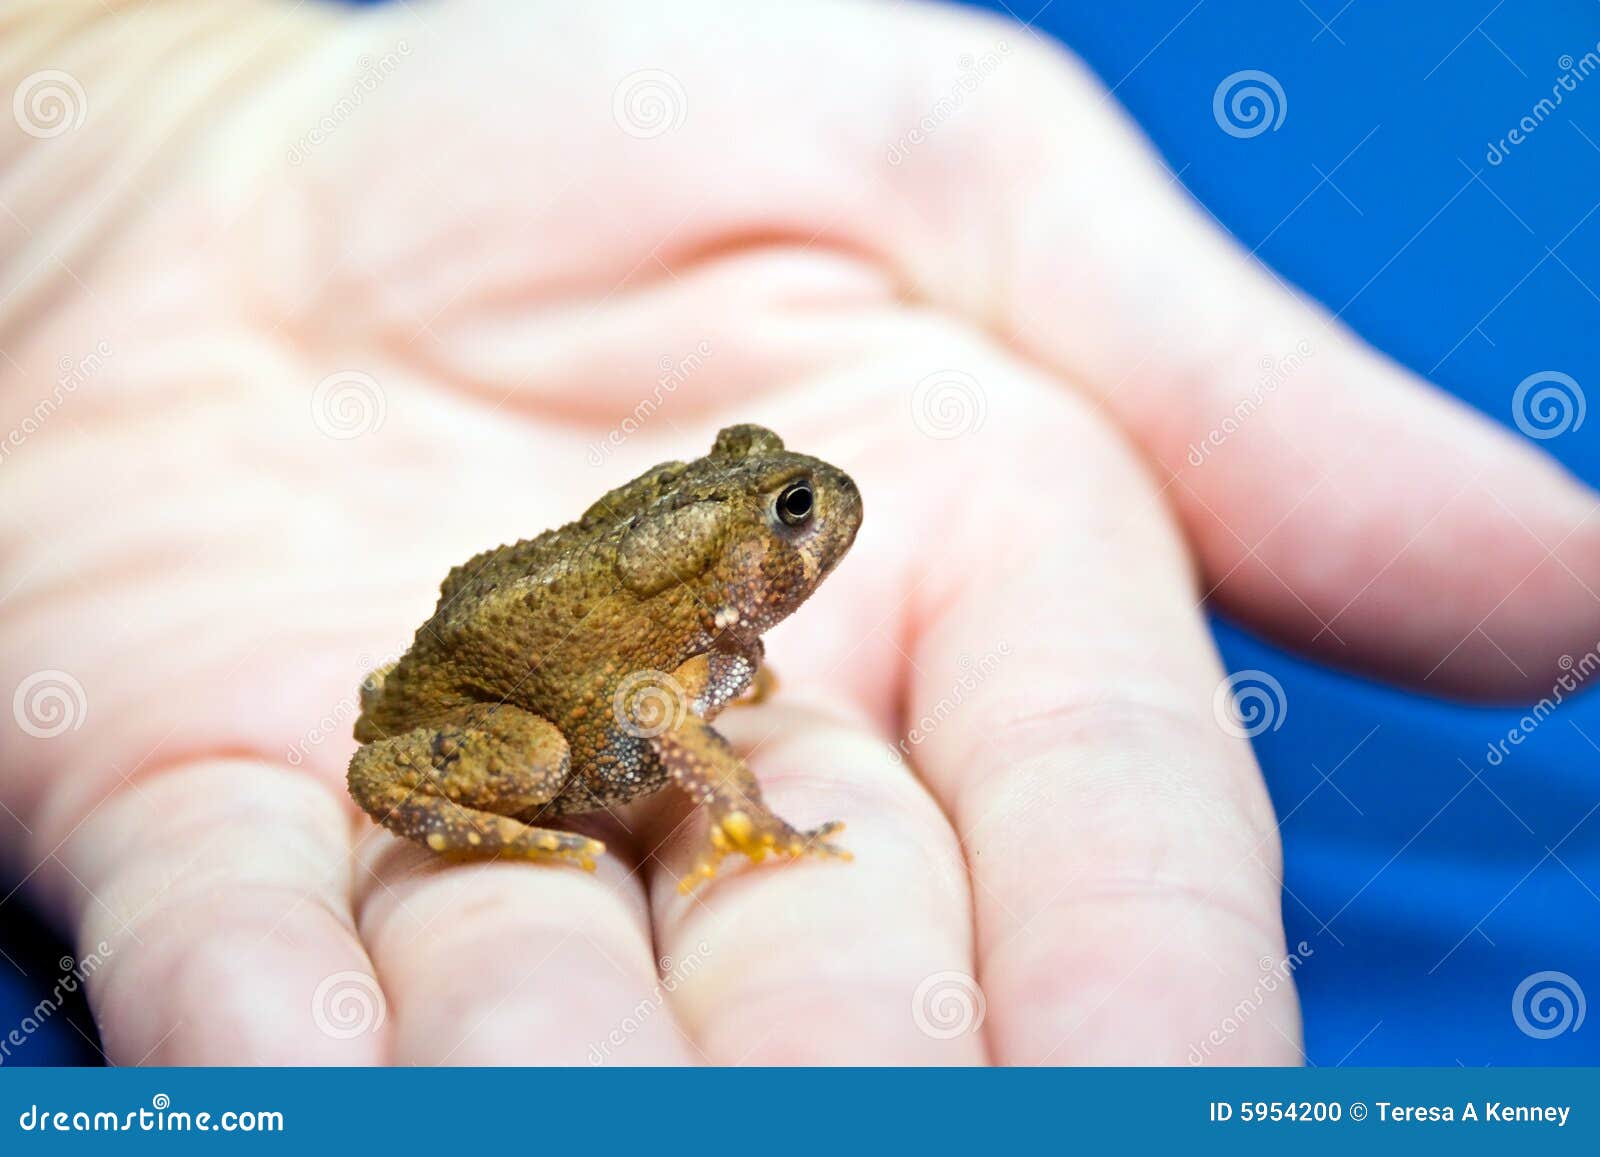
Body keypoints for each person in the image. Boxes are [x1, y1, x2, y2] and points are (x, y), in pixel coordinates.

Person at [2, 0, 1594, 1065]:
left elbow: (678, 676)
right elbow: (641, 709)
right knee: (552, 766)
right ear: (741, 557)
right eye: (784, 507)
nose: (810, 509)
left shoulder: (712, 621)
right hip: (477, 695)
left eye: (781, 487)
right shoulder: (677, 646)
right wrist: (742, 816)